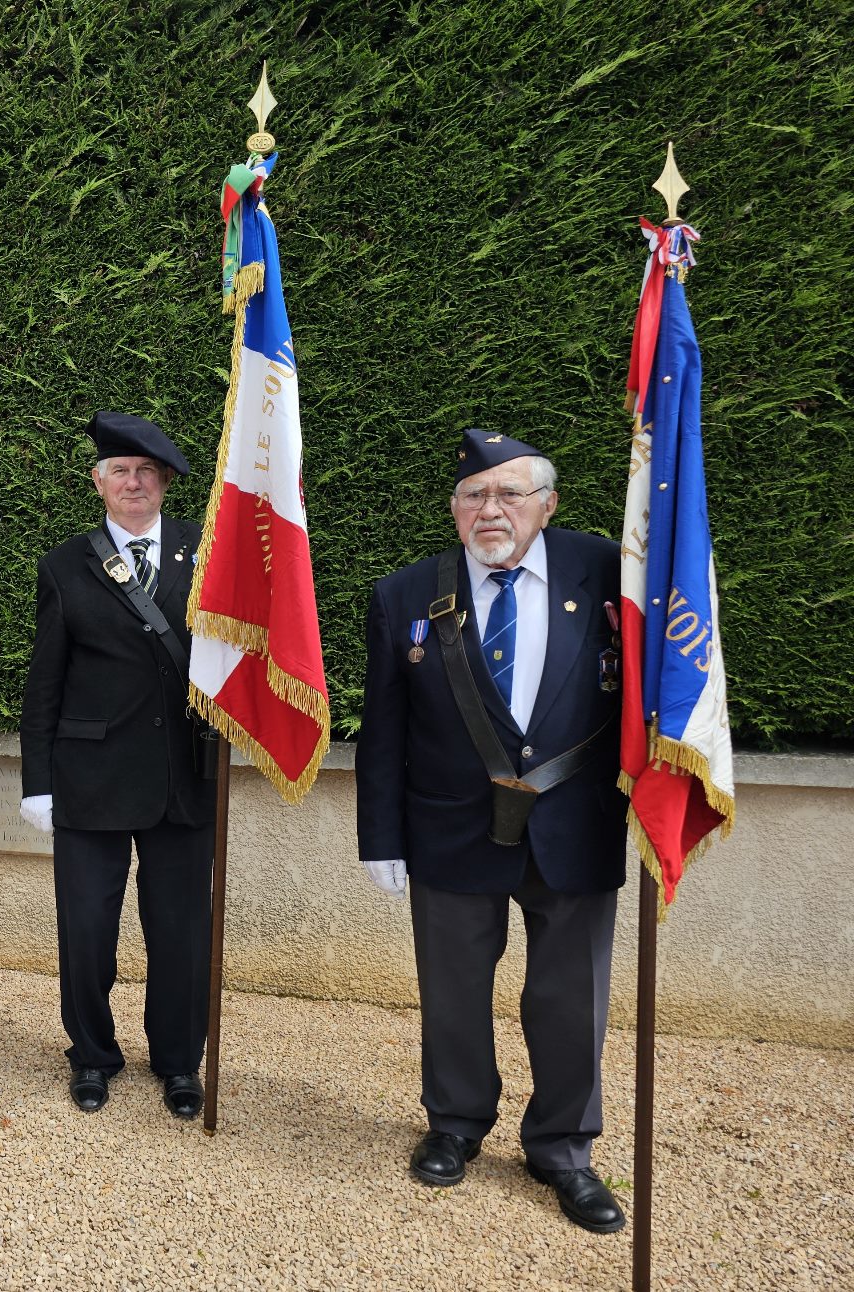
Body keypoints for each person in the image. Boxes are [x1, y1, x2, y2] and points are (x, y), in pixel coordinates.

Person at [356, 429, 627, 1233]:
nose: (491, 509)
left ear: (548, 504)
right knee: (452, 990)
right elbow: (384, 730)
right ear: (454, 509)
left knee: (570, 997)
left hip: (575, 827)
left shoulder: (611, 572)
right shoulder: (405, 593)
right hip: (450, 828)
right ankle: (456, 1124)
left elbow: (654, 690)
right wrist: (381, 836)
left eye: (510, 493)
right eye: (475, 495)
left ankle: (563, 1149)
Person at [19, 411, 217, 1119]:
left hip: (184, 779)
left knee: (182, 933)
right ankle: (93, 1056)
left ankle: (178, 1062)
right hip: (89, 779)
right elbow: (45, 681)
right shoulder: (65, 564)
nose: (133, 483)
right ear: (98, 483)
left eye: (146, 472)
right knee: (87, 931)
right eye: (120, 472)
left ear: (164, 483)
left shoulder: (210, 553)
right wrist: (36, 782)